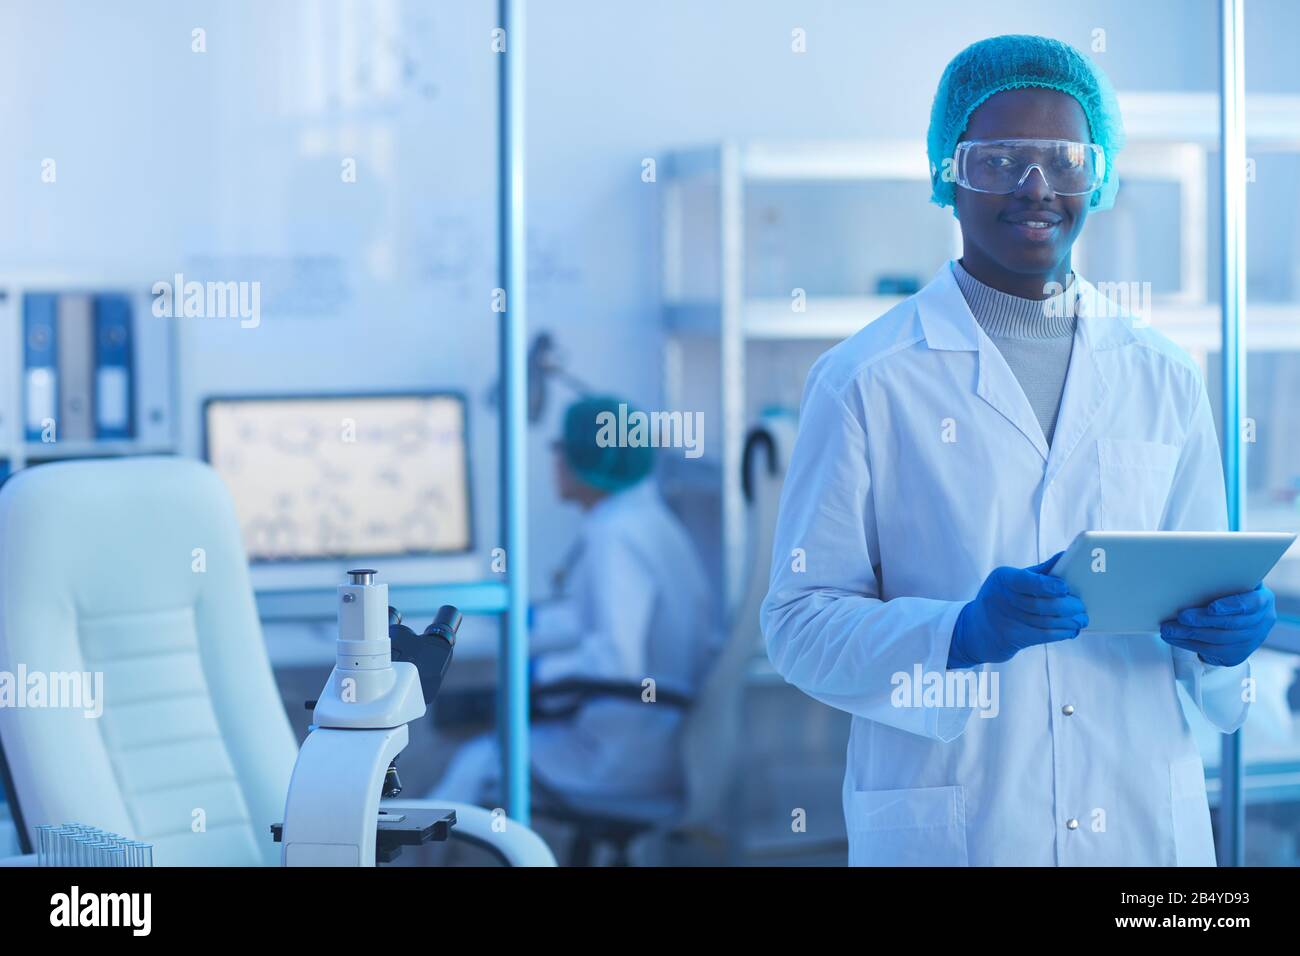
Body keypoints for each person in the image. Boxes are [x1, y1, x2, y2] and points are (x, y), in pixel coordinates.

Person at [761, 34, 1276, 866]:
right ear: (947, 175)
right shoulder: (865, 379)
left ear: (1096, 176)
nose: (1035, 188)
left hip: (1142, 835)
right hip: (964, 833)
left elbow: (1206, 651)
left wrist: (1225, 645)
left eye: (1063, 160)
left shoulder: (1164, 375)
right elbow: (797, 623)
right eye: (998, 160)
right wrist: (956, 635)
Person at [434, 395, 713, 809]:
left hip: (622, 751)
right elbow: (616, 618)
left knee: (474, 760)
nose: (557, 461)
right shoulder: (644, 520)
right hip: (658, 733)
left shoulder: (614, 536)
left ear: (590, 458)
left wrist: (534, 675)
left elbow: (616, 662)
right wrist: (528, 621)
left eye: (563, 449)